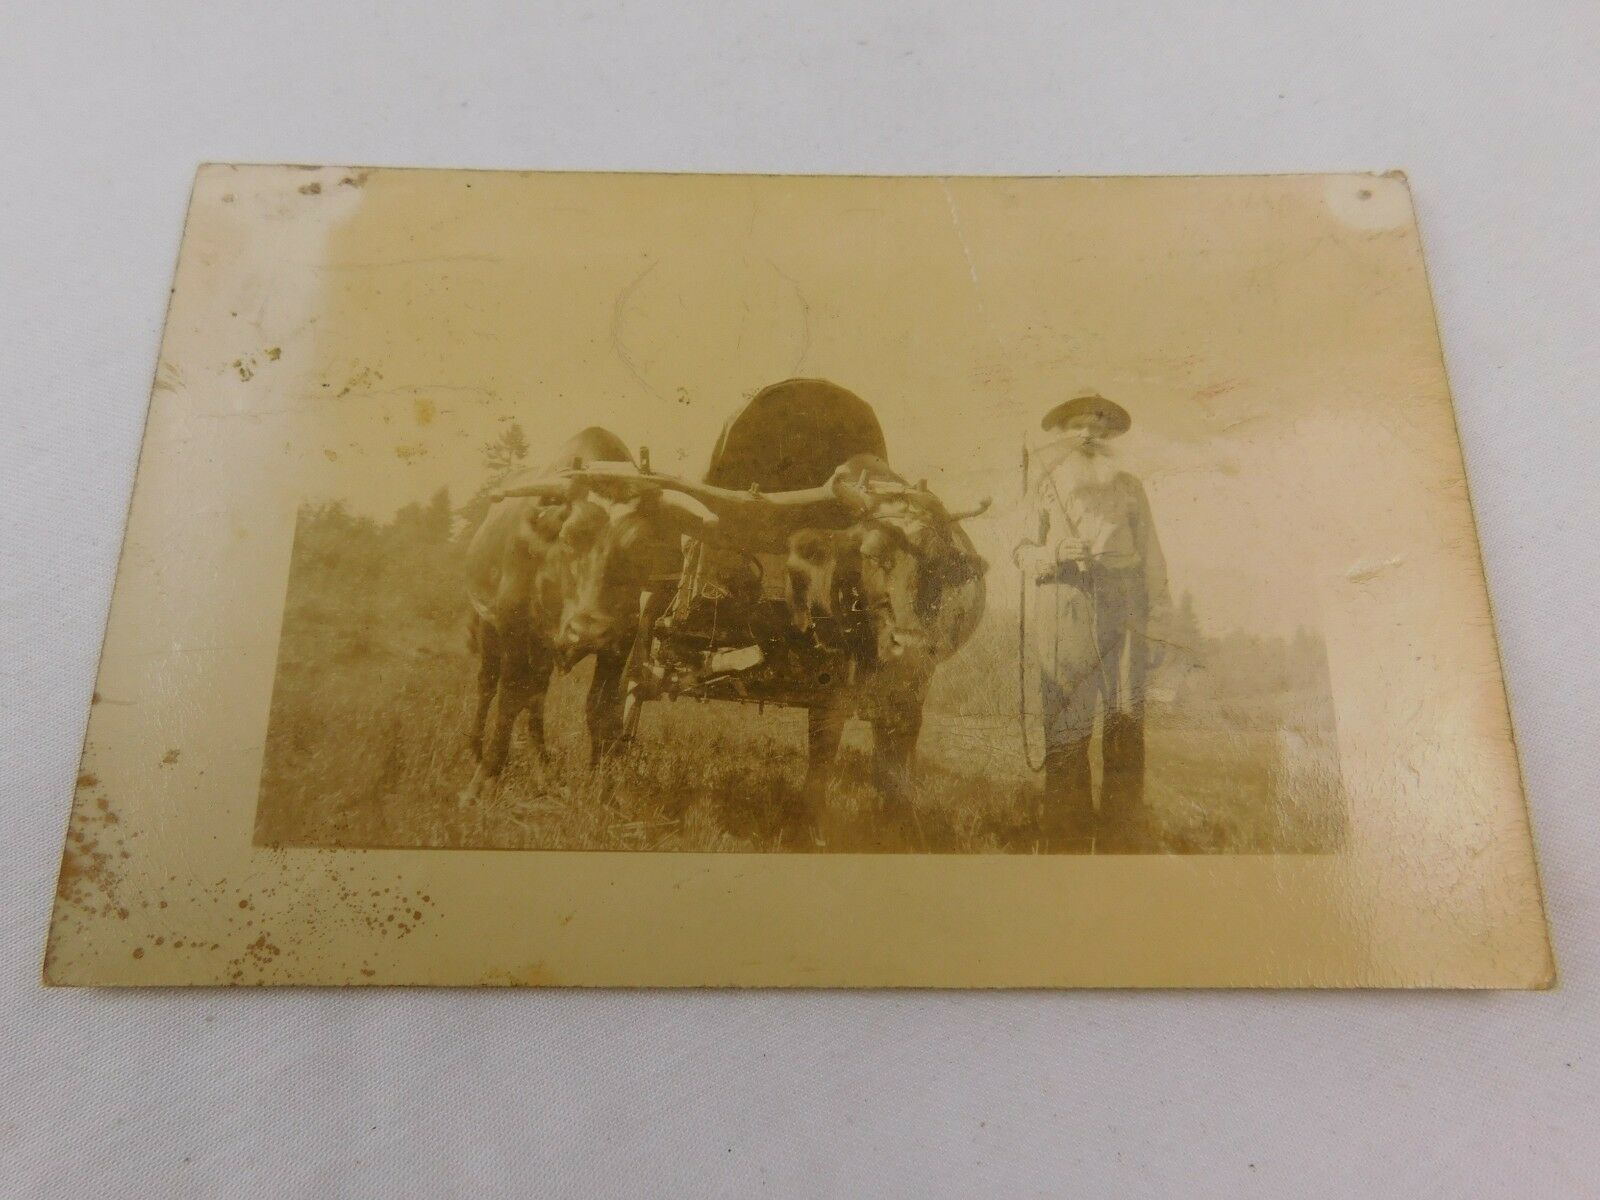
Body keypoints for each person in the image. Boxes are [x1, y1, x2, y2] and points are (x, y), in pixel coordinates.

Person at [1013, 392, 1170, 845]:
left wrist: (1158, 614)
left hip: (1125, 606)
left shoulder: (1129, 486)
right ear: (1061, 434)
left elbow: (1154, 556)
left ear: (1110, 438)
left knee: (1124, 718)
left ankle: (1122, 835)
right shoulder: (1043, 484)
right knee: (1066, 717)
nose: (1089, 435)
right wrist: (1053, 552)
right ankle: (1066, 835)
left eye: (1099, 429)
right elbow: (1020, 550)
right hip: (1065, 603)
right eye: (1079, 427)